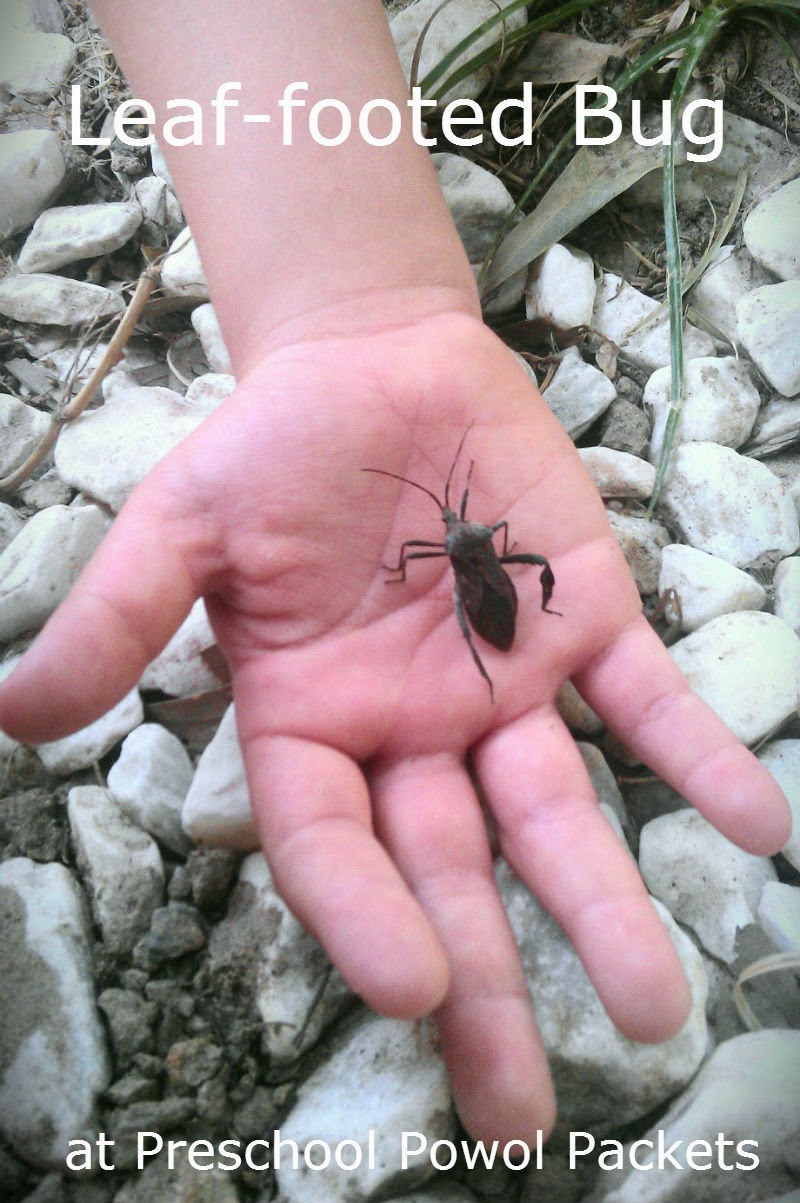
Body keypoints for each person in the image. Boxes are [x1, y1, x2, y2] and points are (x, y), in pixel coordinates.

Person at [0, 0, 790, 1146]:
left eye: (463, 536)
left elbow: (455, 556)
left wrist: (354, 291)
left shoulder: (467, 554)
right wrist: (351, 304)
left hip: (488, 612)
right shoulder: (469, 552)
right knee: (490, 598)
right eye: (462, 539)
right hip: (491, 607)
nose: (464, 538)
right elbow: (455, 553)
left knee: (488, 602)